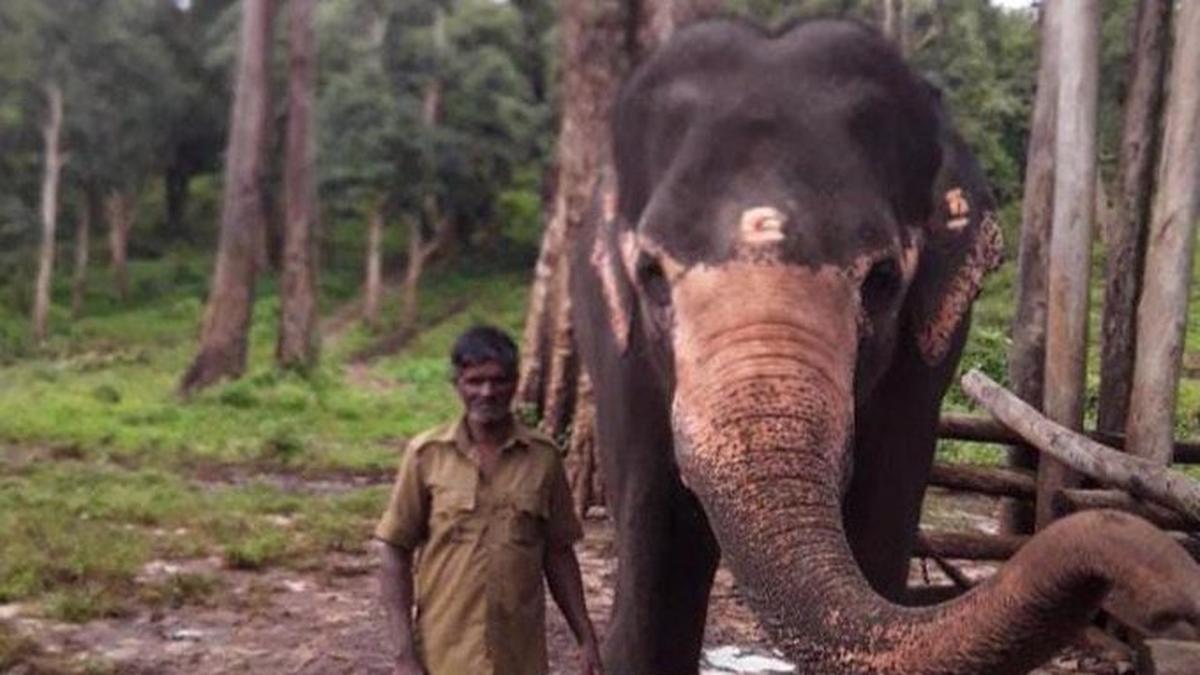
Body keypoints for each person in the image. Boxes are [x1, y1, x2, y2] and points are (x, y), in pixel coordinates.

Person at [375, 325, 604, 675]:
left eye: (498, 381)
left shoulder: (542, 458)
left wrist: (585, 637)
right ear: (458, 384)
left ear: (515, 383)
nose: (487, 392)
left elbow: (558, 553)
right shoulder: (426, 456)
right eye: (475, 381)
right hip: (442, 658)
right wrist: (403, 655)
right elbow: (394, 551)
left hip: (518, 659)